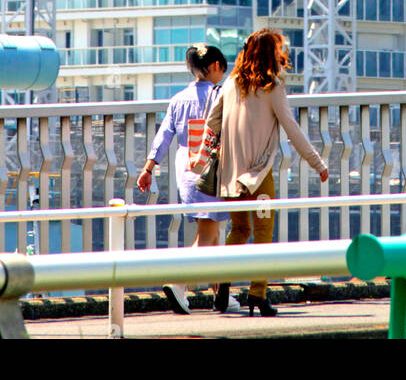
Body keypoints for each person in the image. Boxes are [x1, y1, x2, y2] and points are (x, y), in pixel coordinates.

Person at [192, 29, 328, 317]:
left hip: (230, 174)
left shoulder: (230, 85)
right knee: (263, 232)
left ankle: (224, 286)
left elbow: (212, 122)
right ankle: (258, 294)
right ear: (270, 54)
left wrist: (203, 156)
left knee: (239, 229)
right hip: (258, 175)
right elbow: (292, 128)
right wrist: (317, 163)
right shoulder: (272, 87)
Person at [136, 44, 240, 315]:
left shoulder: (179, 98)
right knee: (207, 235)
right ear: (216, 66)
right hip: (214, 170)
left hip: (186, 170)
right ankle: (179, 282)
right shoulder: (223, 96)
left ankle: (221, 294)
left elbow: (164, 135)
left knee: (212, 230)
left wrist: (149, 166)